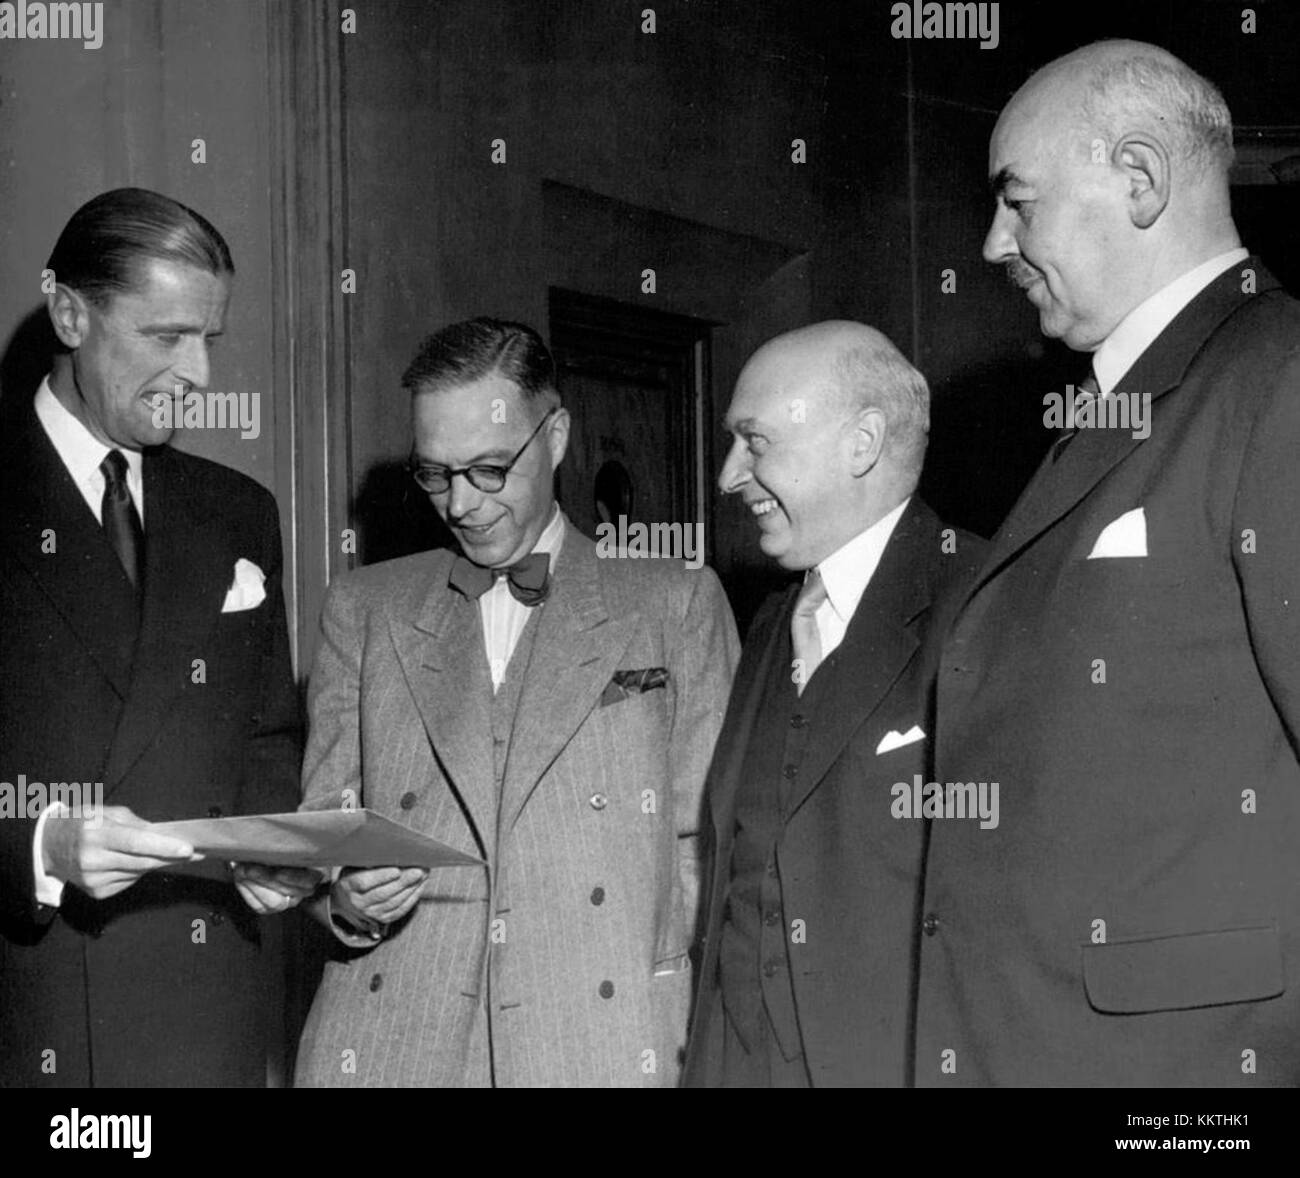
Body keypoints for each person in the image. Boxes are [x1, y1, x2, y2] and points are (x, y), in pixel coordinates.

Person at [915, 40, 1300, 1086]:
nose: (993, 242)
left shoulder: (1279, 375)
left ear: (1137, 178)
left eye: (1016, 200)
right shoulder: (1111, 409)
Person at [293, 317, 738, 1087]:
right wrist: (346, 896)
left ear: (556, 436)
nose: (461, 503)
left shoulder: (676, 604)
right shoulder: (364, 609)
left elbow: (711, 856)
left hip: (605, 1044)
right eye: (435, 474)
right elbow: (317, 843)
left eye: (490, 469)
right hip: (398, 1047)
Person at [0, 187, 308, 1088]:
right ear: (69, 313)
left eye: (209, 338)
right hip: (35, 1018)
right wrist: (40, 846)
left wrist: (276, 849)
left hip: (201, 1020)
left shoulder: (239, 511)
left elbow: (265, 735)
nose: (201, 375)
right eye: (167, 337)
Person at [682, 321, 986, 1086]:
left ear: (863, 443)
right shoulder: (766, 625)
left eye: (755, 442)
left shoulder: (988, 599)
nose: (726, 476)